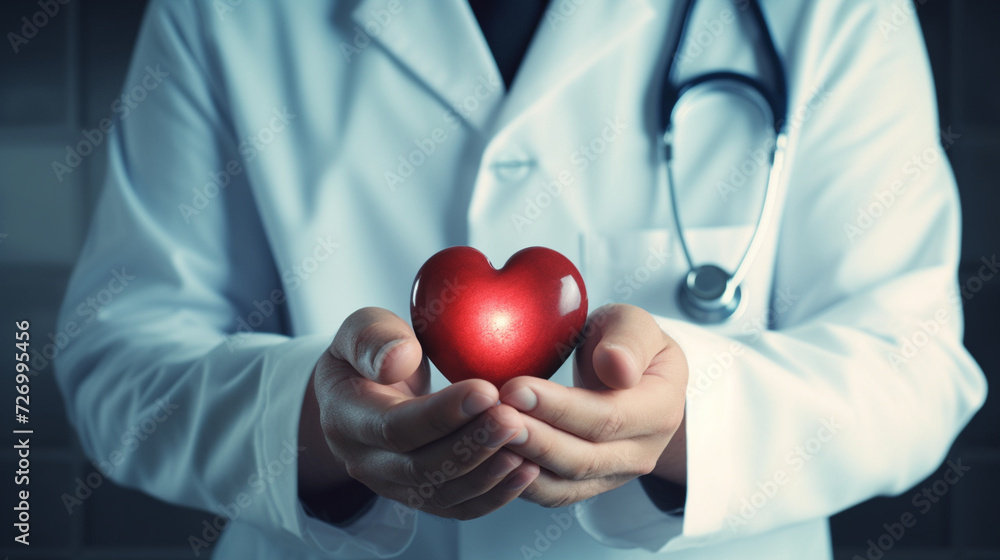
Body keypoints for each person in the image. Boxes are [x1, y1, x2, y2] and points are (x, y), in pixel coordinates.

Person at [55, 0, 986, 558]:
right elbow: (114, 358)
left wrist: (683, 421)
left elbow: (917, 369)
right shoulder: (228, 13)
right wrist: (317, 423)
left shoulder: (829, 13)